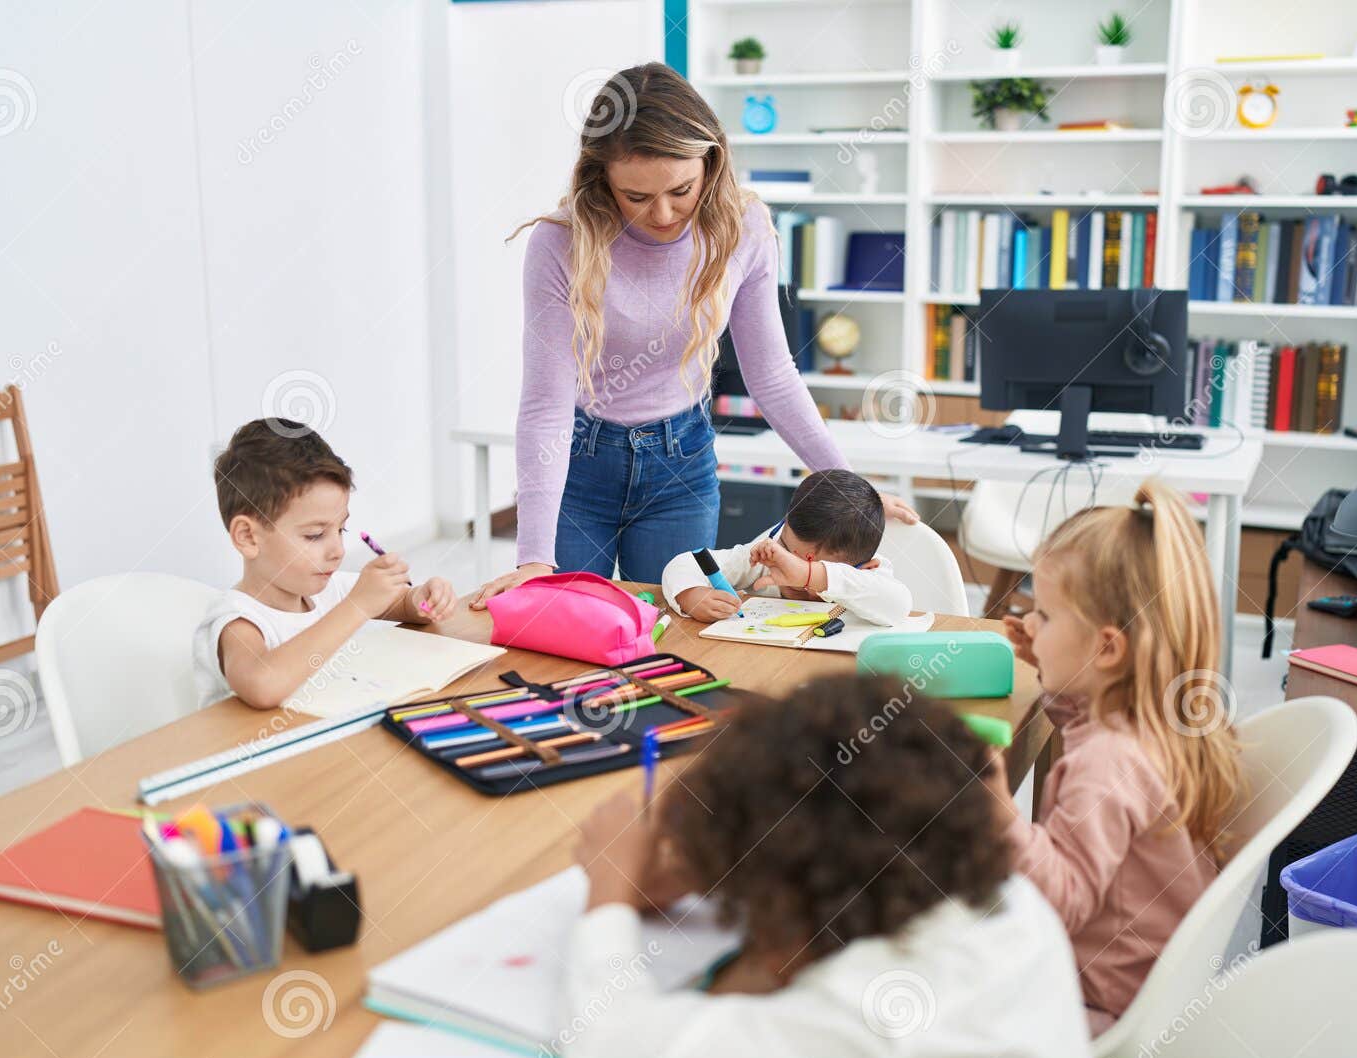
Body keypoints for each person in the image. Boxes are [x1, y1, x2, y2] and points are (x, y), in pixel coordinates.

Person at [471, 62, 912, 607]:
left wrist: (850, 491)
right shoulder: (560, 243)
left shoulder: (744, 226)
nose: (663, 214)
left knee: (678, 630)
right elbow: (546, 403)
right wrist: (534, 558)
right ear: (601, 178)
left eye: (682, 189)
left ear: (711, 161)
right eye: (635, 196)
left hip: (679, 465)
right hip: (579, 467)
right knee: (561, 627)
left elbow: (771, 374)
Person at [561, 675, 1092, 1058]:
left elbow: (612, 1051)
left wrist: (608, 896)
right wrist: (718, 865)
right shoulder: (1010, 902)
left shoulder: (861, 1024)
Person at [1002, 479, 1244, 1034]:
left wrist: (995, 808)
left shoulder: (1107, 764)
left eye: (1046, 615)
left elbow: (1059, 901)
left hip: (1097, 1010)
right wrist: (1054, 668)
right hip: (1146, 983)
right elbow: (1089, 729)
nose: (1031, 624)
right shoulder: (1162, 719)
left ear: (1107, 648)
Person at [193, 419, 456, 710]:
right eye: (315, 535)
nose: (338, 550)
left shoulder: (330, 590)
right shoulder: (238, 621)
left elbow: (404, 606)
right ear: (248, 537)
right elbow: (262, 687)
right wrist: (356, 606)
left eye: (340, 530)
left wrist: (423, 598)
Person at [660, 469, 911, 624]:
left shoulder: (868, 578)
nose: (791, 573)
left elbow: (898, 606)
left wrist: (810, 575)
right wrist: (692, 595)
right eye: (788, 553)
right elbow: (684, 563)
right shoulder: (766, 558)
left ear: (866, 567)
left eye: (809, 568)